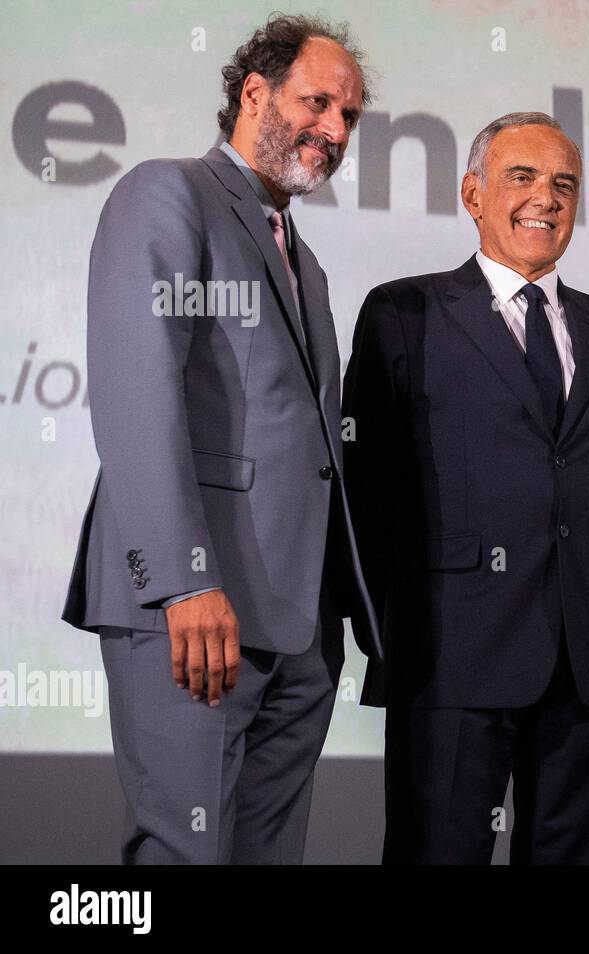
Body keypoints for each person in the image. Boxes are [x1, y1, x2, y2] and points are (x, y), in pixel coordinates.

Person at [62, 15, 380, 863]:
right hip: (196, 614)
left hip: (297, 632)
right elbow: (137, 394)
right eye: (319, 103)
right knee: (184, 854)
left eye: (350, 117)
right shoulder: (167, 192)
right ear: (253, 92)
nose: (335, 130)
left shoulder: (301, 260)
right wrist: (182, 583)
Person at [343, 112, 589, 865]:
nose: (545, 196)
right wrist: (393, 629)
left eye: (564, 184)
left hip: (587, 657)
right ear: (472, 195)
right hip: (447, 656)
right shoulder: (403, 312)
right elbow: (366, 488)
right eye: (522, 176)